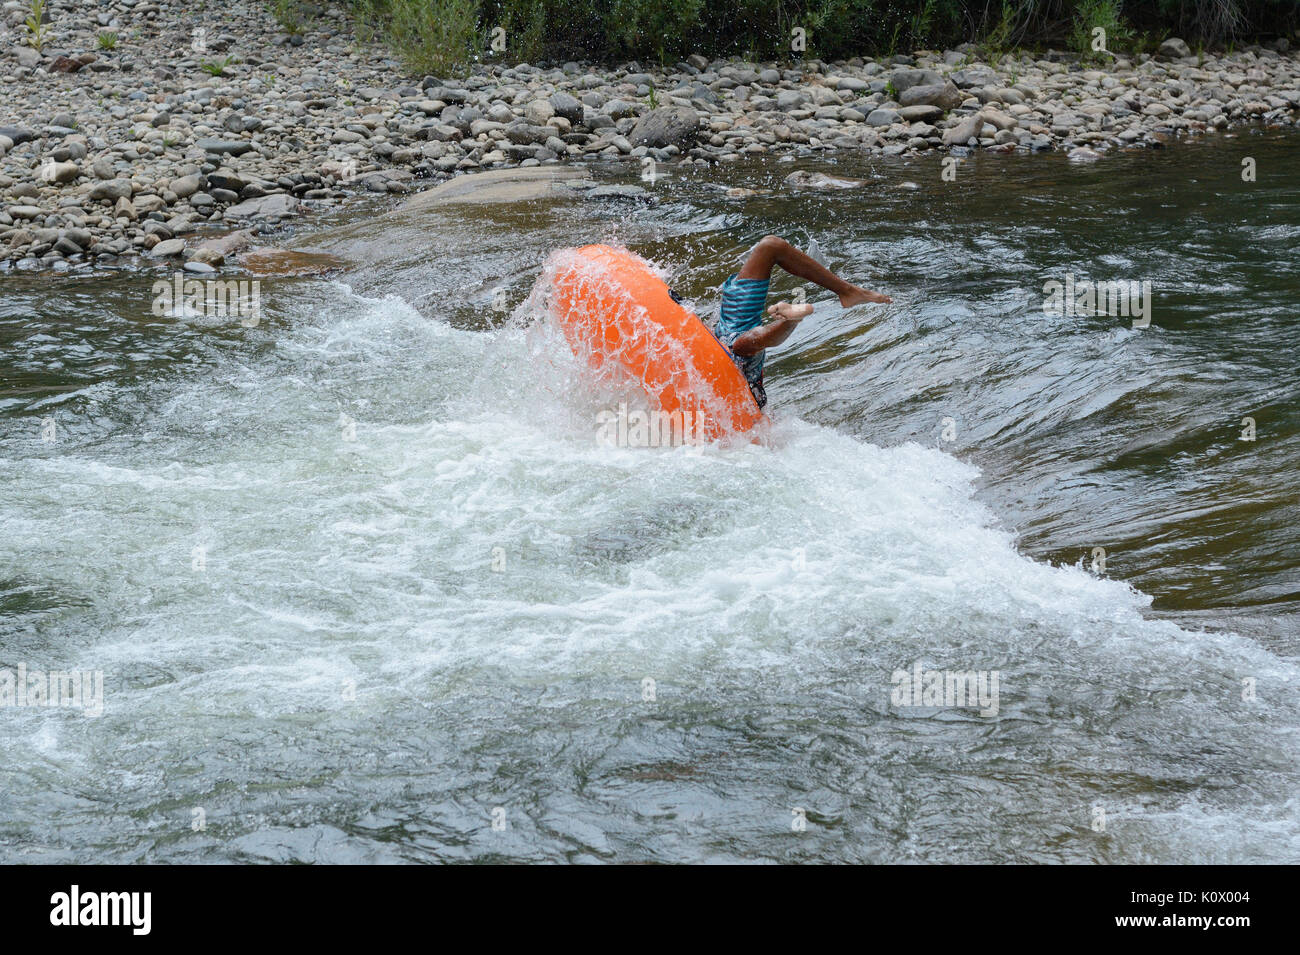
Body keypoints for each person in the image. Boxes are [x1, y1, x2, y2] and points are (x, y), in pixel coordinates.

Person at [711, 235, 891, 408]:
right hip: (737, 374)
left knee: (771, 247)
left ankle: (847, 292)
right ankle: (791, 320)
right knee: (741, 347)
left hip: (723, 335)